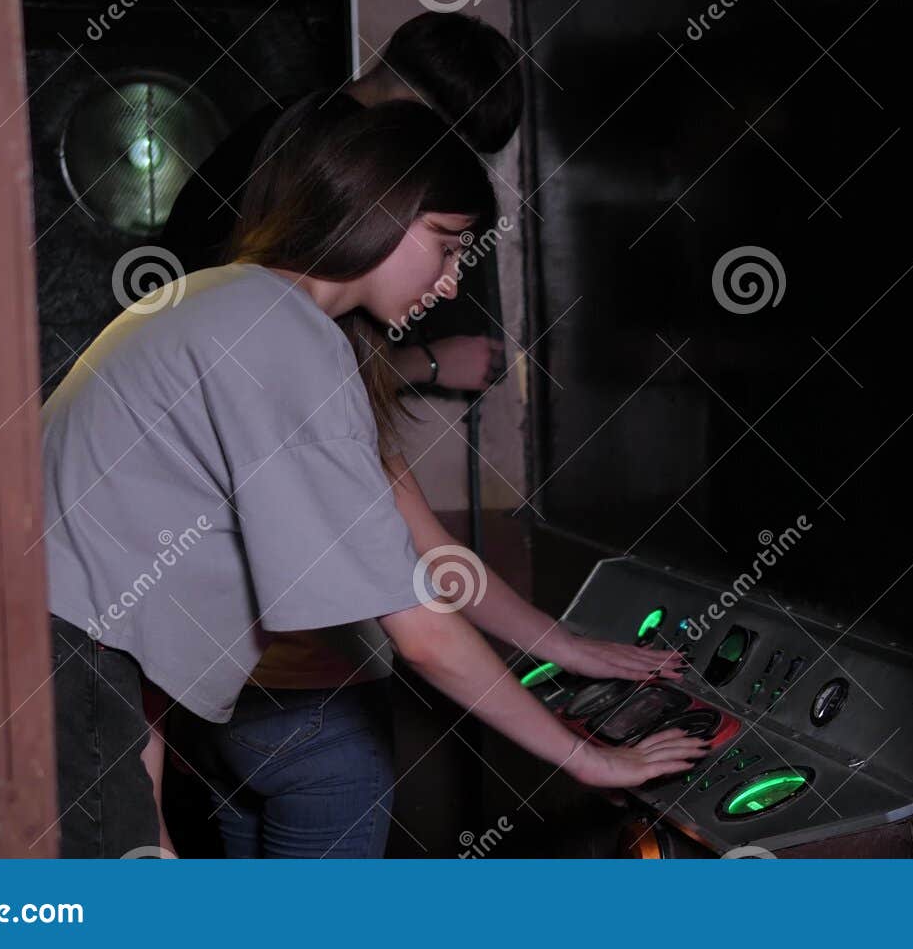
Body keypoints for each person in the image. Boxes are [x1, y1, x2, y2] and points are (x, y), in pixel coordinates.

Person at [44, 96, 706, 859]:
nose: (454, 282)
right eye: (449, 244)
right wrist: (593, 760)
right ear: (378, 207)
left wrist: (569, 648)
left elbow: (421, 549)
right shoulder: (282, 338)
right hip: (71, 677)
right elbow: (421, 632)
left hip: (76, 673)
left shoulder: (232, 301)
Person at [159, 11, 517, 392]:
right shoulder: (333, 155)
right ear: (423, 126)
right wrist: (424, 363)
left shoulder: (299, 120)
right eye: (450, 156)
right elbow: (271, 372)